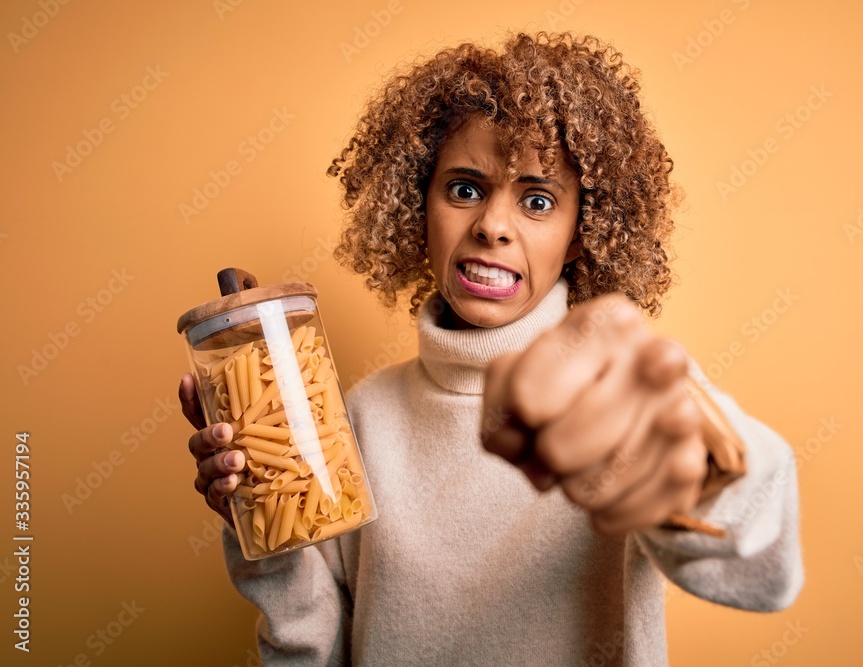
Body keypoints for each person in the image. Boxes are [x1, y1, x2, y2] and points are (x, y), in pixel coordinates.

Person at [182, 31, 804, 665]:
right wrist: (263, 530)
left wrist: (676, 462)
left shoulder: (625, 384)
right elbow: (315, 652)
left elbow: (764, 569)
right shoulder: (365, 416)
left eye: (537, 200)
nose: (492, 225)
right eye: (464, 189)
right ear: (416, 206)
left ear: (581, 235)